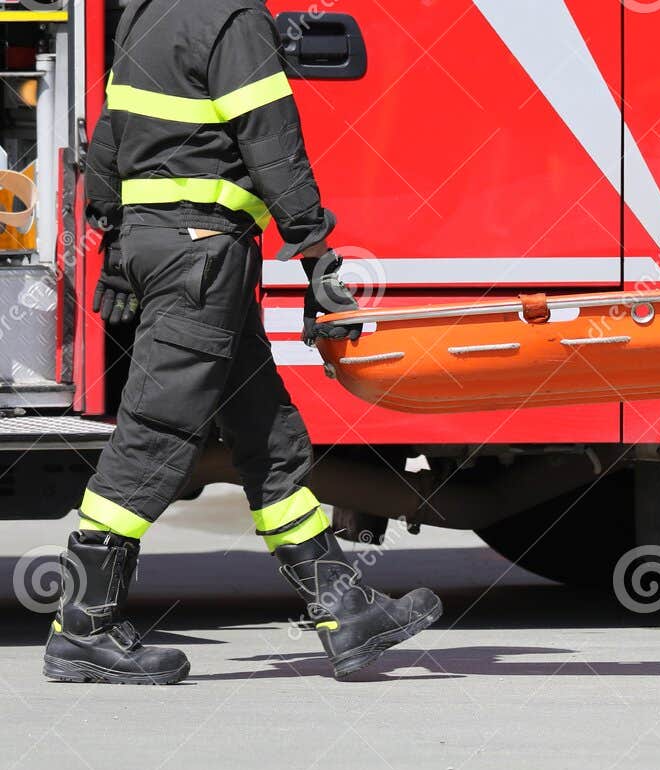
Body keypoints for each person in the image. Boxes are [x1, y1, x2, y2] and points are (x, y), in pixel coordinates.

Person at [44, 0, 440, 684]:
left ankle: (341, 604)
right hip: (203, 257)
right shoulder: (232, 19)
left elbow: (109, 135)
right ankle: (83, 624)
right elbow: (271, 142)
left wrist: (112, 240)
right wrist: (316, 251)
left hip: (167, 250)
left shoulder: (141, 15)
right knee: (157, 432)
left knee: (268, 432)